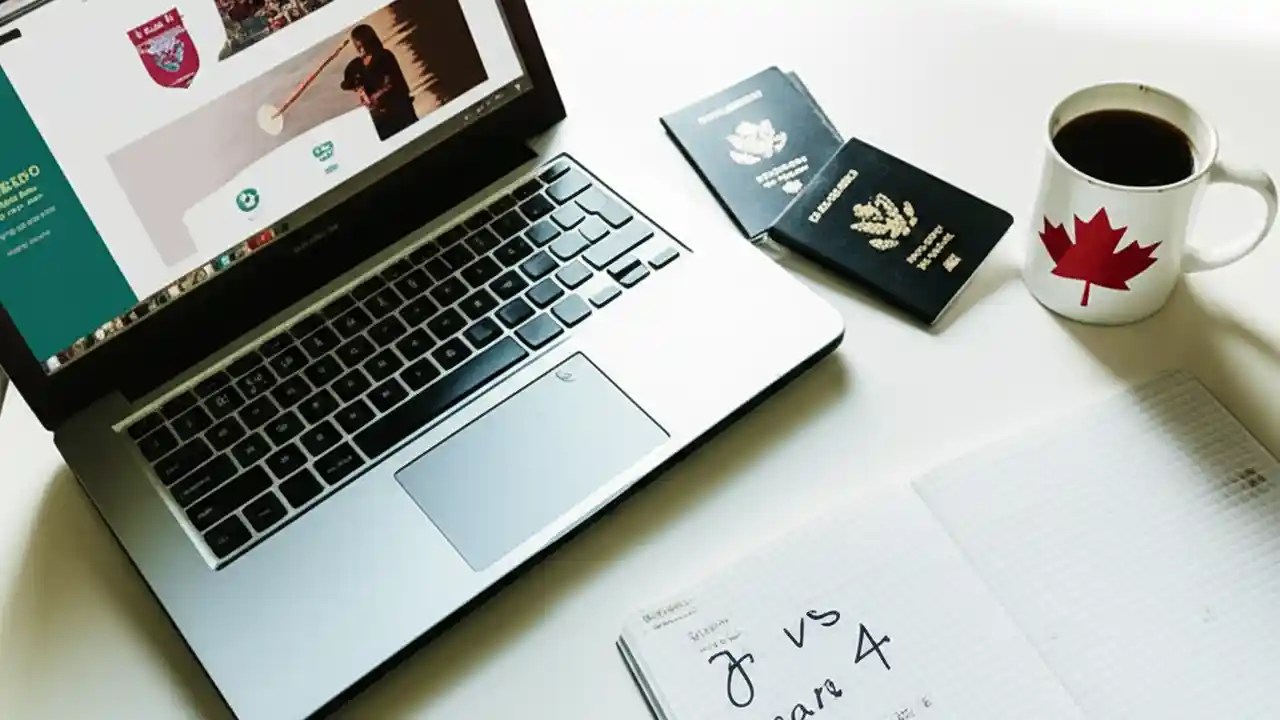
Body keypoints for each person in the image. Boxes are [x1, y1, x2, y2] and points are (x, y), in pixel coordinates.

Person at [340, 24, 417, 141]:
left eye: (362, 45)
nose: (360, 48)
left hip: (399, 111)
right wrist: (359, 88)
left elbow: (391, 83)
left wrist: (375, 97)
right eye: (357, 45)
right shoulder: (357, 65)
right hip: (381, 119)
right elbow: (346, 84)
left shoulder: (384, 56)